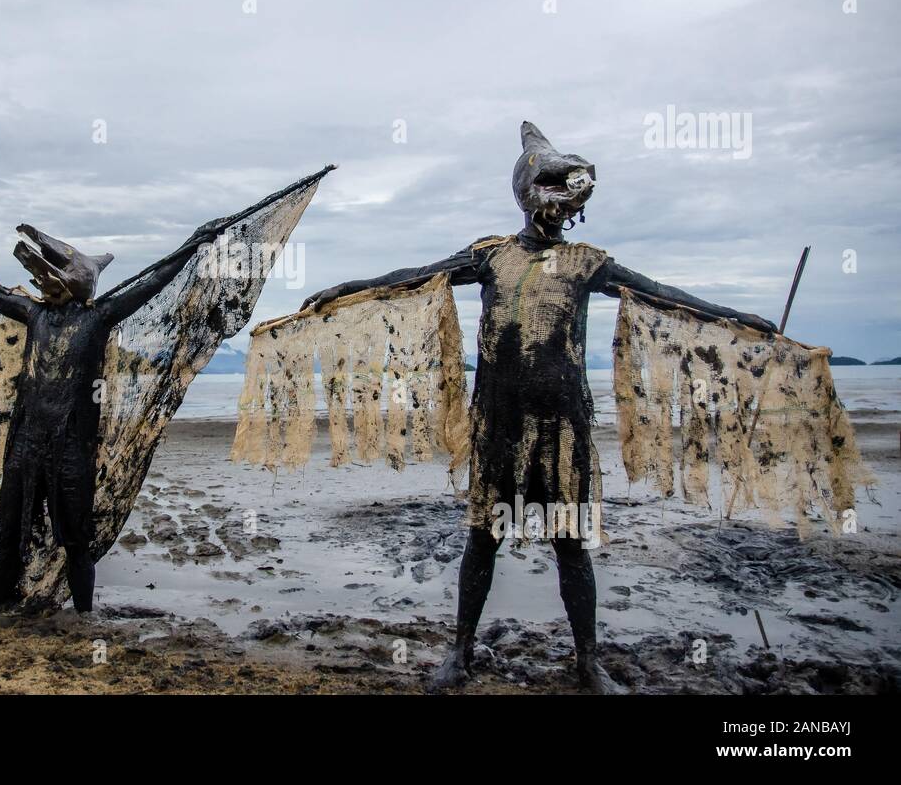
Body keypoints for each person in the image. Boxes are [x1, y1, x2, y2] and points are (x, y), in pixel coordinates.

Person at [300, 122, 775, 691]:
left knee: (571, 543)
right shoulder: (490, 258)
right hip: (498, 425)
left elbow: (661, 295)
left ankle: (587, 661)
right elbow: (413, 279)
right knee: (483, 537)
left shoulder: (586, 262)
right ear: (525, 192)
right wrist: (346, 289)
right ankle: (461, 652)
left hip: (563, 429)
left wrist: (736, 319)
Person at [0, 220, 218, 611]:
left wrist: (191, 246)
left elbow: (153, 282)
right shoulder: (33, 314)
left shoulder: (99, 316)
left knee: (76, 541)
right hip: (27, 442)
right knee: (10, 530)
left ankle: (84, 616)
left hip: (71, 446)